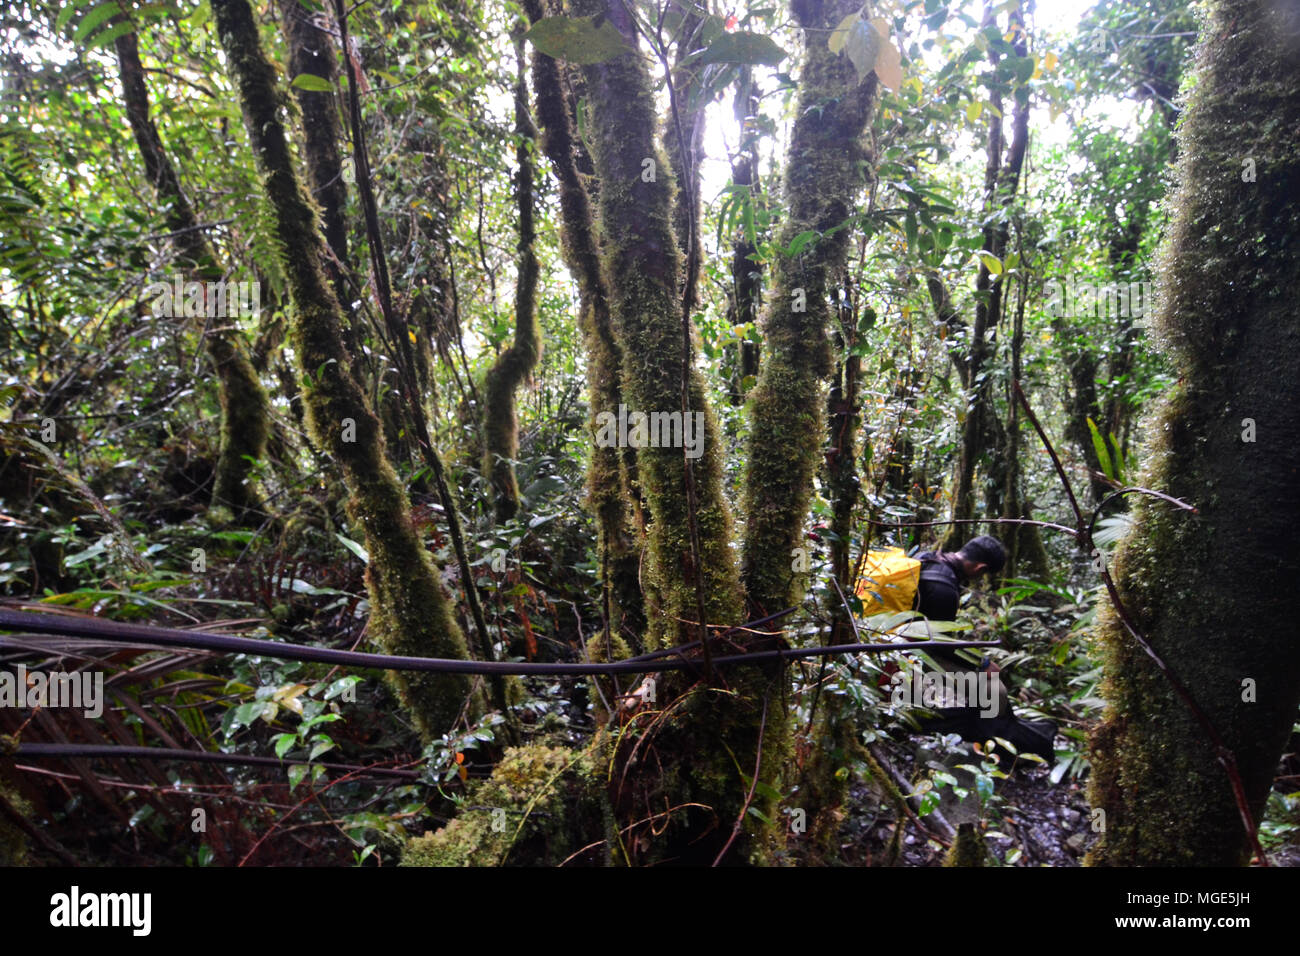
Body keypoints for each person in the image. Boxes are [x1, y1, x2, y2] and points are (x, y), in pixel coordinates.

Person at [908, 535, 1056, 769]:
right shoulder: (944, 588)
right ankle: (997, 745)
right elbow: (939, 644)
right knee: (992, 691)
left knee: (987, 690)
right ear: (980, 568)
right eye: (983, 575)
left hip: (895, 642)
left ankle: (993, 733)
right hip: (911, 654)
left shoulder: (927, 558)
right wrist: (982, 665)